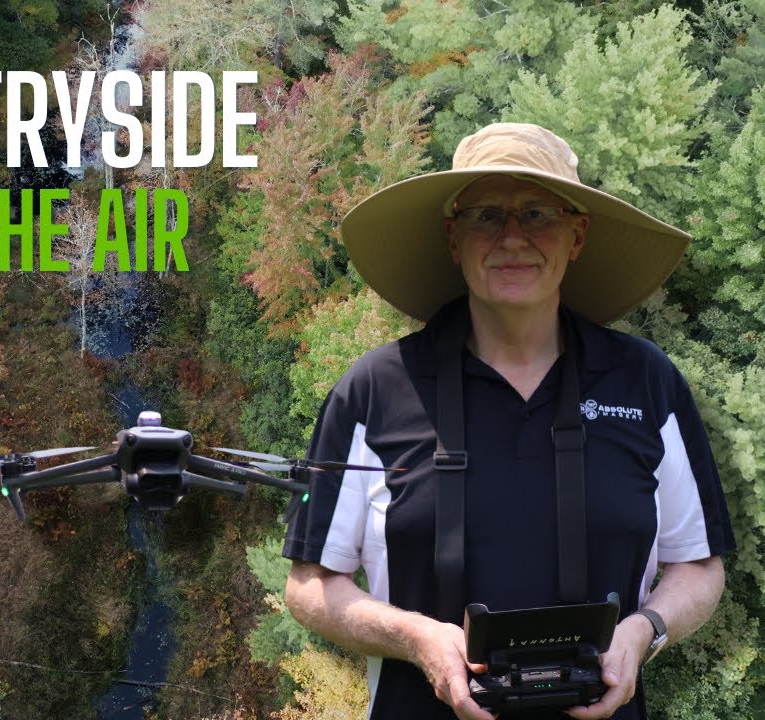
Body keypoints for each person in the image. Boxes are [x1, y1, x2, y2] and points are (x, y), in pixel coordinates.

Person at [281, 123, 735, 720]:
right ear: (454, 238)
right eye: (486, 216)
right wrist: (414, 637)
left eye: (538, 214)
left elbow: (699, 563)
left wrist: (645, 629)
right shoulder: (375, 389)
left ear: (577, 235)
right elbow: (311, 584)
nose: (513, 237)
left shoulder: (645, 382)